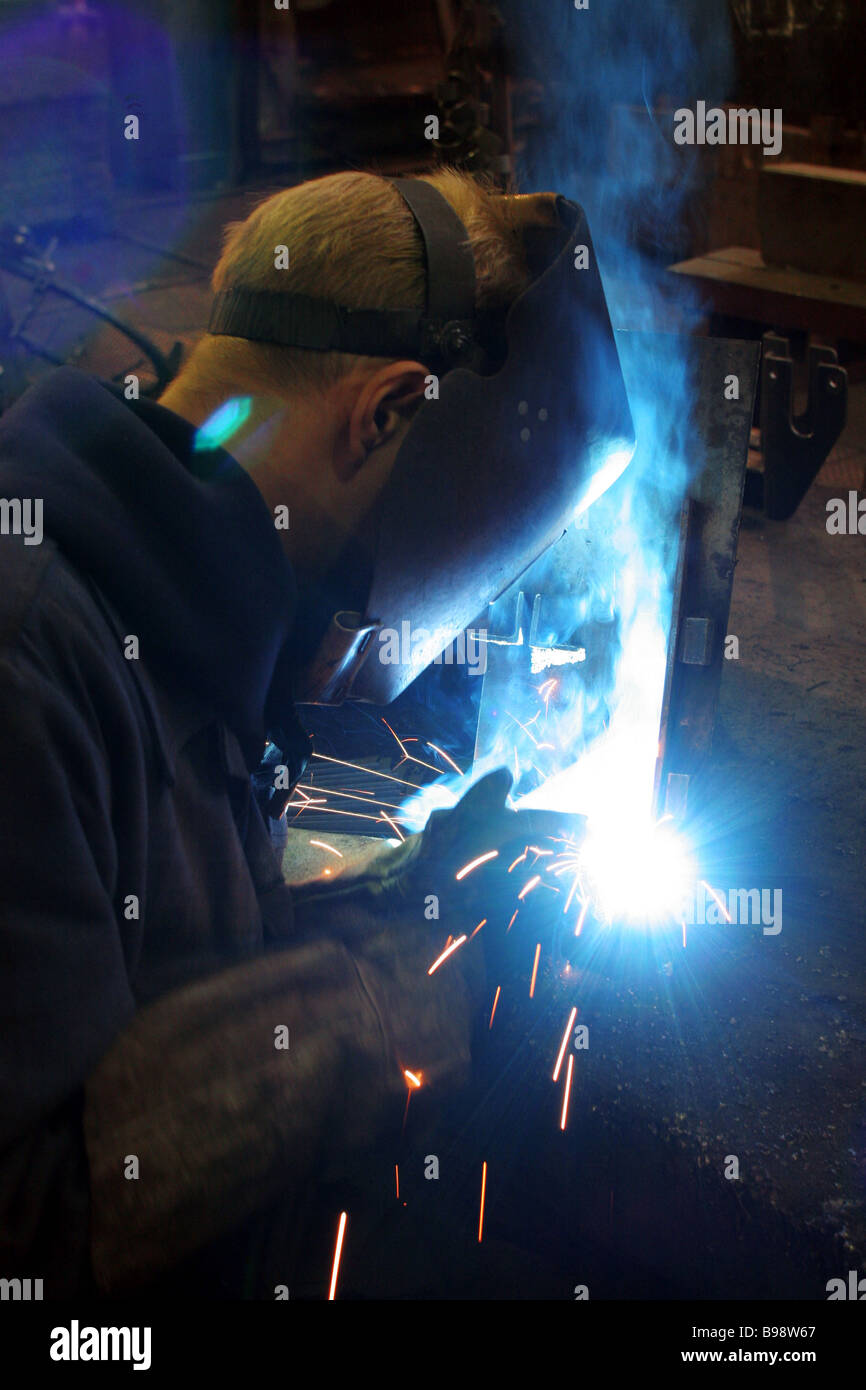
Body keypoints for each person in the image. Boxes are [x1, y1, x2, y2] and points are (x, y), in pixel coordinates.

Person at [0, 167, 603, 1298]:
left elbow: (162, 972)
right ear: (383, 410)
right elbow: (29, 1230)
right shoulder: (30, 660)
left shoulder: (161, 582)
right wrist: (368, 1002)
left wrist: (401, 903)